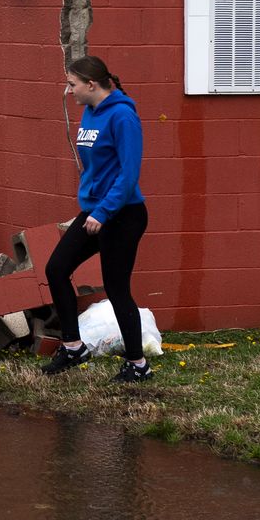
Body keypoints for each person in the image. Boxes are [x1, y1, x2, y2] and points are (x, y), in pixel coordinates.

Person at [42, 55, 152, 382]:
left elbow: (129, 173)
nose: (68, 91)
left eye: (72, 84)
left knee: (117, 289)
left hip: (122, 214)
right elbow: (96, 168)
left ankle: (138, 365)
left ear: (91, 84)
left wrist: (104, 211)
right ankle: (74, 347)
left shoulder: (122, 117)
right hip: (95, 212)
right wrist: (92, 206)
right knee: (57, 268)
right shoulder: (89, 114)